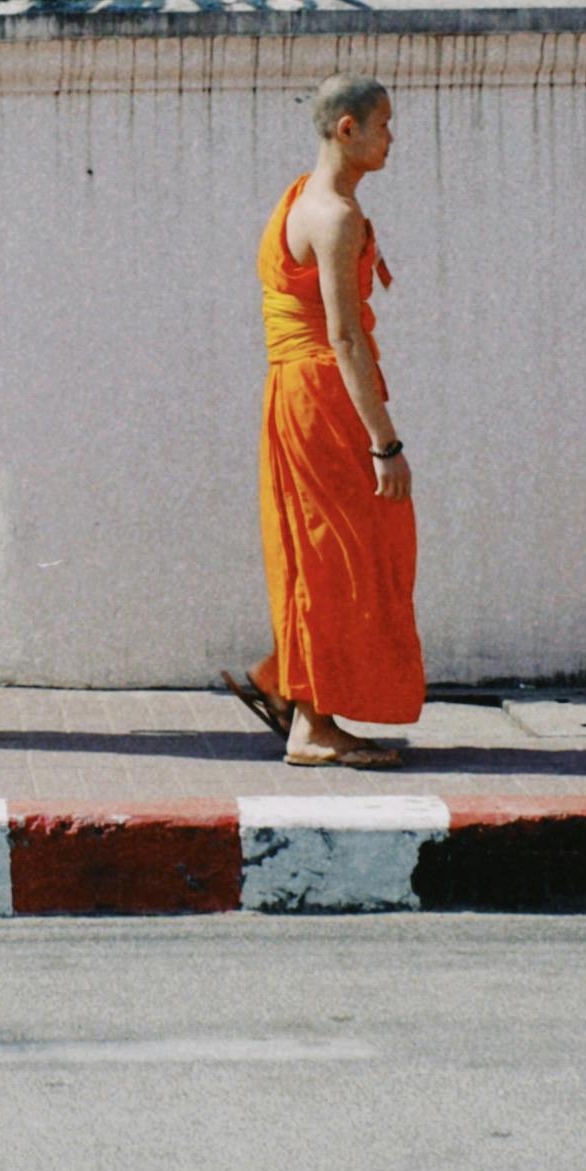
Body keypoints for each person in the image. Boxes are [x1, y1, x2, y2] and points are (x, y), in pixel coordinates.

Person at [222, 74, 423, 768]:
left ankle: (286, 683)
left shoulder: (297, 202)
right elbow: (343, 337)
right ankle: (312, 724)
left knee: (328, 551)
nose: (392, 137)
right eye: (384, 125)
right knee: (335, 556)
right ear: (347, 129)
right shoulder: (332, 216)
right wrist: (385, 442)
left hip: (298, 390)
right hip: (323, 395)